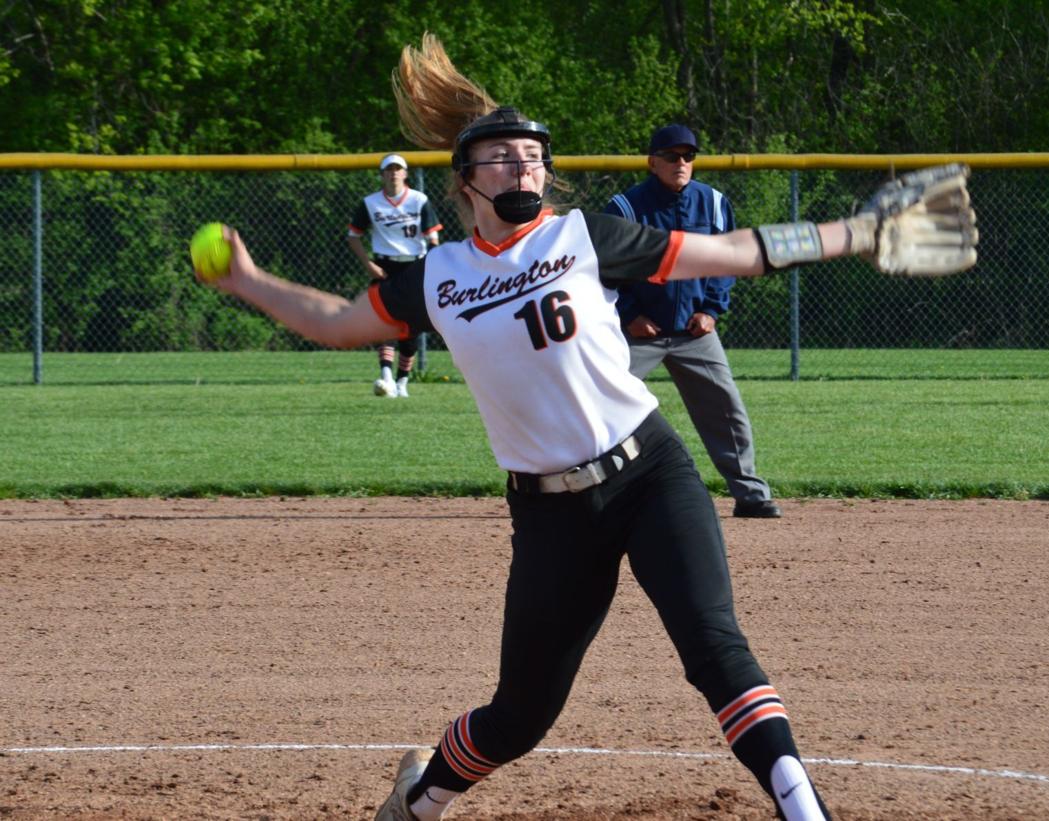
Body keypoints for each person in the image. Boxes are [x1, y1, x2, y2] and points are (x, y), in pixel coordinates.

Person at [194, 33, 973, 821]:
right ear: (464, 180)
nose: (524, 167)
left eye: (533, 156)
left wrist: (857, 232)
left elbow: (732, 251)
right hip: (550, 512)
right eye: (502, 157)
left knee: (714, 645)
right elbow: (337, 320)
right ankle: (419, 799)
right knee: (522, 713)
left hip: (649, 472)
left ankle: (805, 810)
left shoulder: (582, 237)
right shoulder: (441, 276)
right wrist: (250, 280)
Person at [604, 123, 780, 519]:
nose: (680, 162)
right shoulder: (625, 207)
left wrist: (712, 310)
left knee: (724, 407)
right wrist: (630, 314)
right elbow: (603, 268)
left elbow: (728, 259)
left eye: (688, 156)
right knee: (599, 402)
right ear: (652, 162)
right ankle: (578, 492)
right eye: (671, 156)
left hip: (693, 332)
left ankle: (750, 494)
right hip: (639, 333)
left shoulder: (714, 203)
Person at [347, 153, 442, 398]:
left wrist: (430, 266)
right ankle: (386, 376)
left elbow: (433, 236)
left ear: (405, 173)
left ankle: (402, 382)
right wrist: (368, 265)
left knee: (411, 328)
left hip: (414, 266)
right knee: (384, 322)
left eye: (398, 169)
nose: (394, 174)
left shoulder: (419, 199)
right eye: (389, 170)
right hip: (385, 266)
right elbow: (353, 235)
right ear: (382, 175)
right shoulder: (371, 203)